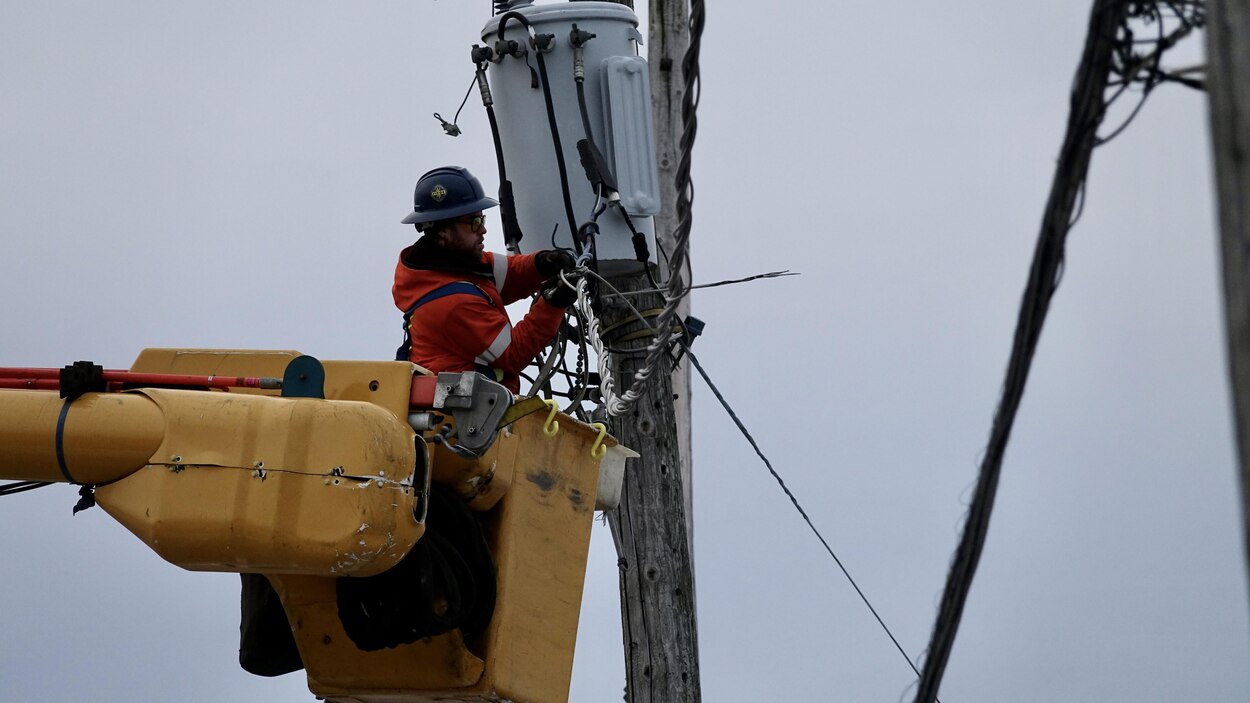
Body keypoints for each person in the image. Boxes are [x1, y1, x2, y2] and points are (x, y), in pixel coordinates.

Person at [393, 165, 577, 394]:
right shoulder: (452, 304)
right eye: (473, 222)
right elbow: (513, 353)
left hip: (479, 413)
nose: (482, 230)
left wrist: (541, 263)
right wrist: (552, 305)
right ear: (443, 233)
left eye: (481, 219)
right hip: (465, 421)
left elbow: (506, 273)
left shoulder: (448, 267)